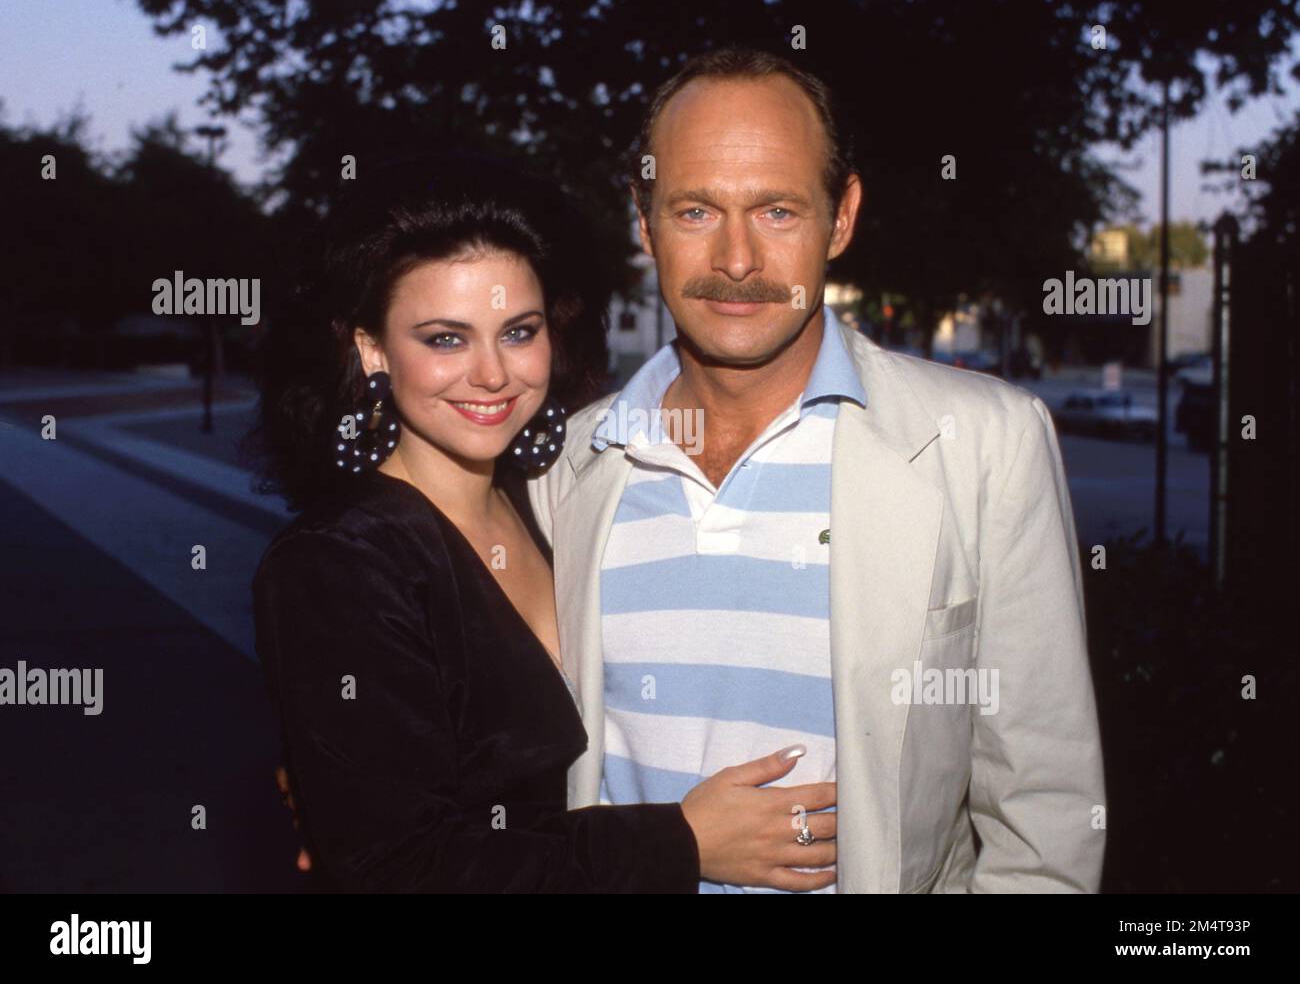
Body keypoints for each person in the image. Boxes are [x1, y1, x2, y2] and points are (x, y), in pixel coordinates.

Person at [526, 47, 1107, 893]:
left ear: (841, 218)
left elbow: (1046, 813)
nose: (736, 260)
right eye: (694, 211)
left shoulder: (984, 443)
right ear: (642, 222)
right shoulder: (564, 463)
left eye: (777, 211)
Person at [248, 151, 838, 892]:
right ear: (372, 349)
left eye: (518, 331)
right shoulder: (339, 566)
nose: (493, 373)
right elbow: (403, 868)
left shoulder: (553, 497)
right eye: (445, 338)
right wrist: (681, 842)